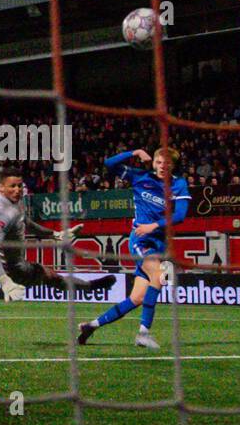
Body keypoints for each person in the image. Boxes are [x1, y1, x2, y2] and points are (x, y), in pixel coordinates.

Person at [0, 166, 113, 317]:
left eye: (19, 185)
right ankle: (90, 287)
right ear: (1, 187)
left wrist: (55, 234)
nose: (17, 190)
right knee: (51, 276)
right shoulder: (3, 214)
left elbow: (25, 223)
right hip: (12, 268)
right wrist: (5, 281)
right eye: (12, 186)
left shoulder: (12, 202)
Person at [78, 148, 190, 349]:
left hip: (158, 245)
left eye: (167, 163)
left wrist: (154, 225)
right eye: (159, 162)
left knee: (136, 298)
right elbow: (109, 164)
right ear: (153, 162)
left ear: (173, 166)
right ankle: (143, 334)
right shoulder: (139, 176)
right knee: (160, 275)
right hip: (140, 241)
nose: (162, 166)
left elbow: (180, 215)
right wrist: (135, 152)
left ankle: (91, 326)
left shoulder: (178, 184)